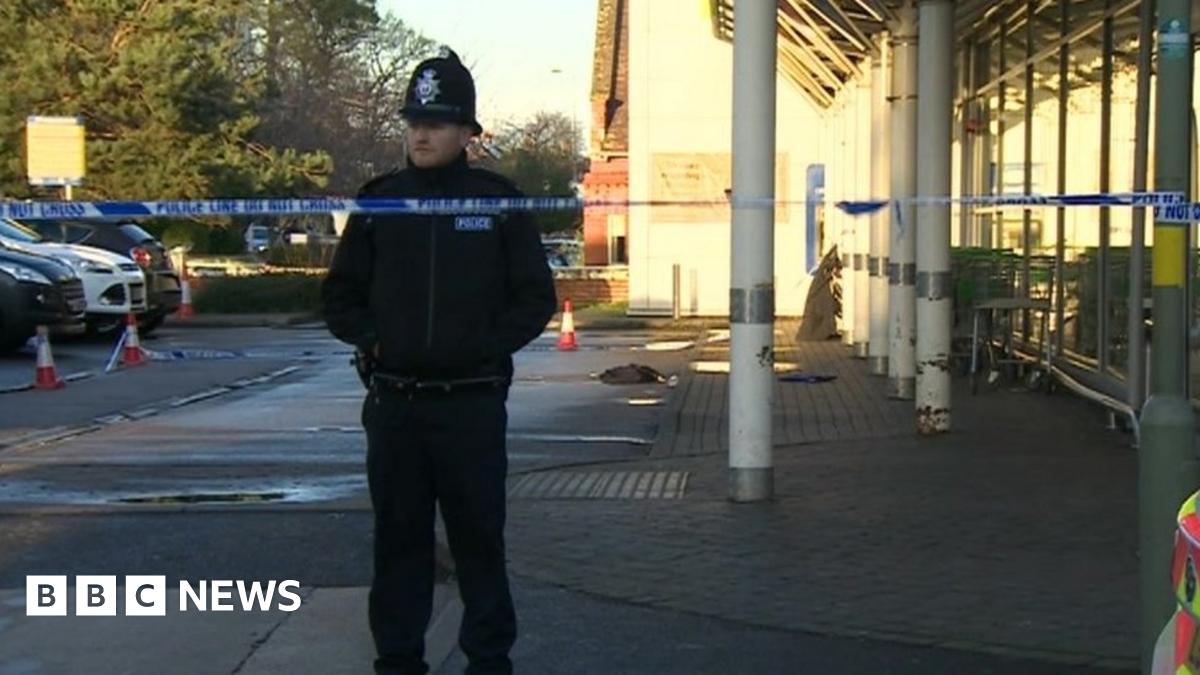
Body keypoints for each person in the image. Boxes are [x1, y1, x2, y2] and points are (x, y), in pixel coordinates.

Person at [321, 47, 557, 675]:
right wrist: (375, 341)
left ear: (467, 133)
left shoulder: (497, 202)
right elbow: (340, 296)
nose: (420, 134)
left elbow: (535, 298)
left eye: (437, 123)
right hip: (396, 406)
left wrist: (482, 345)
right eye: (414, 122)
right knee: (398, 546)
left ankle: (489, 660)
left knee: (479, 543)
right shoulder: (380, 203)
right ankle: (397, 661)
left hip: (472, 406)